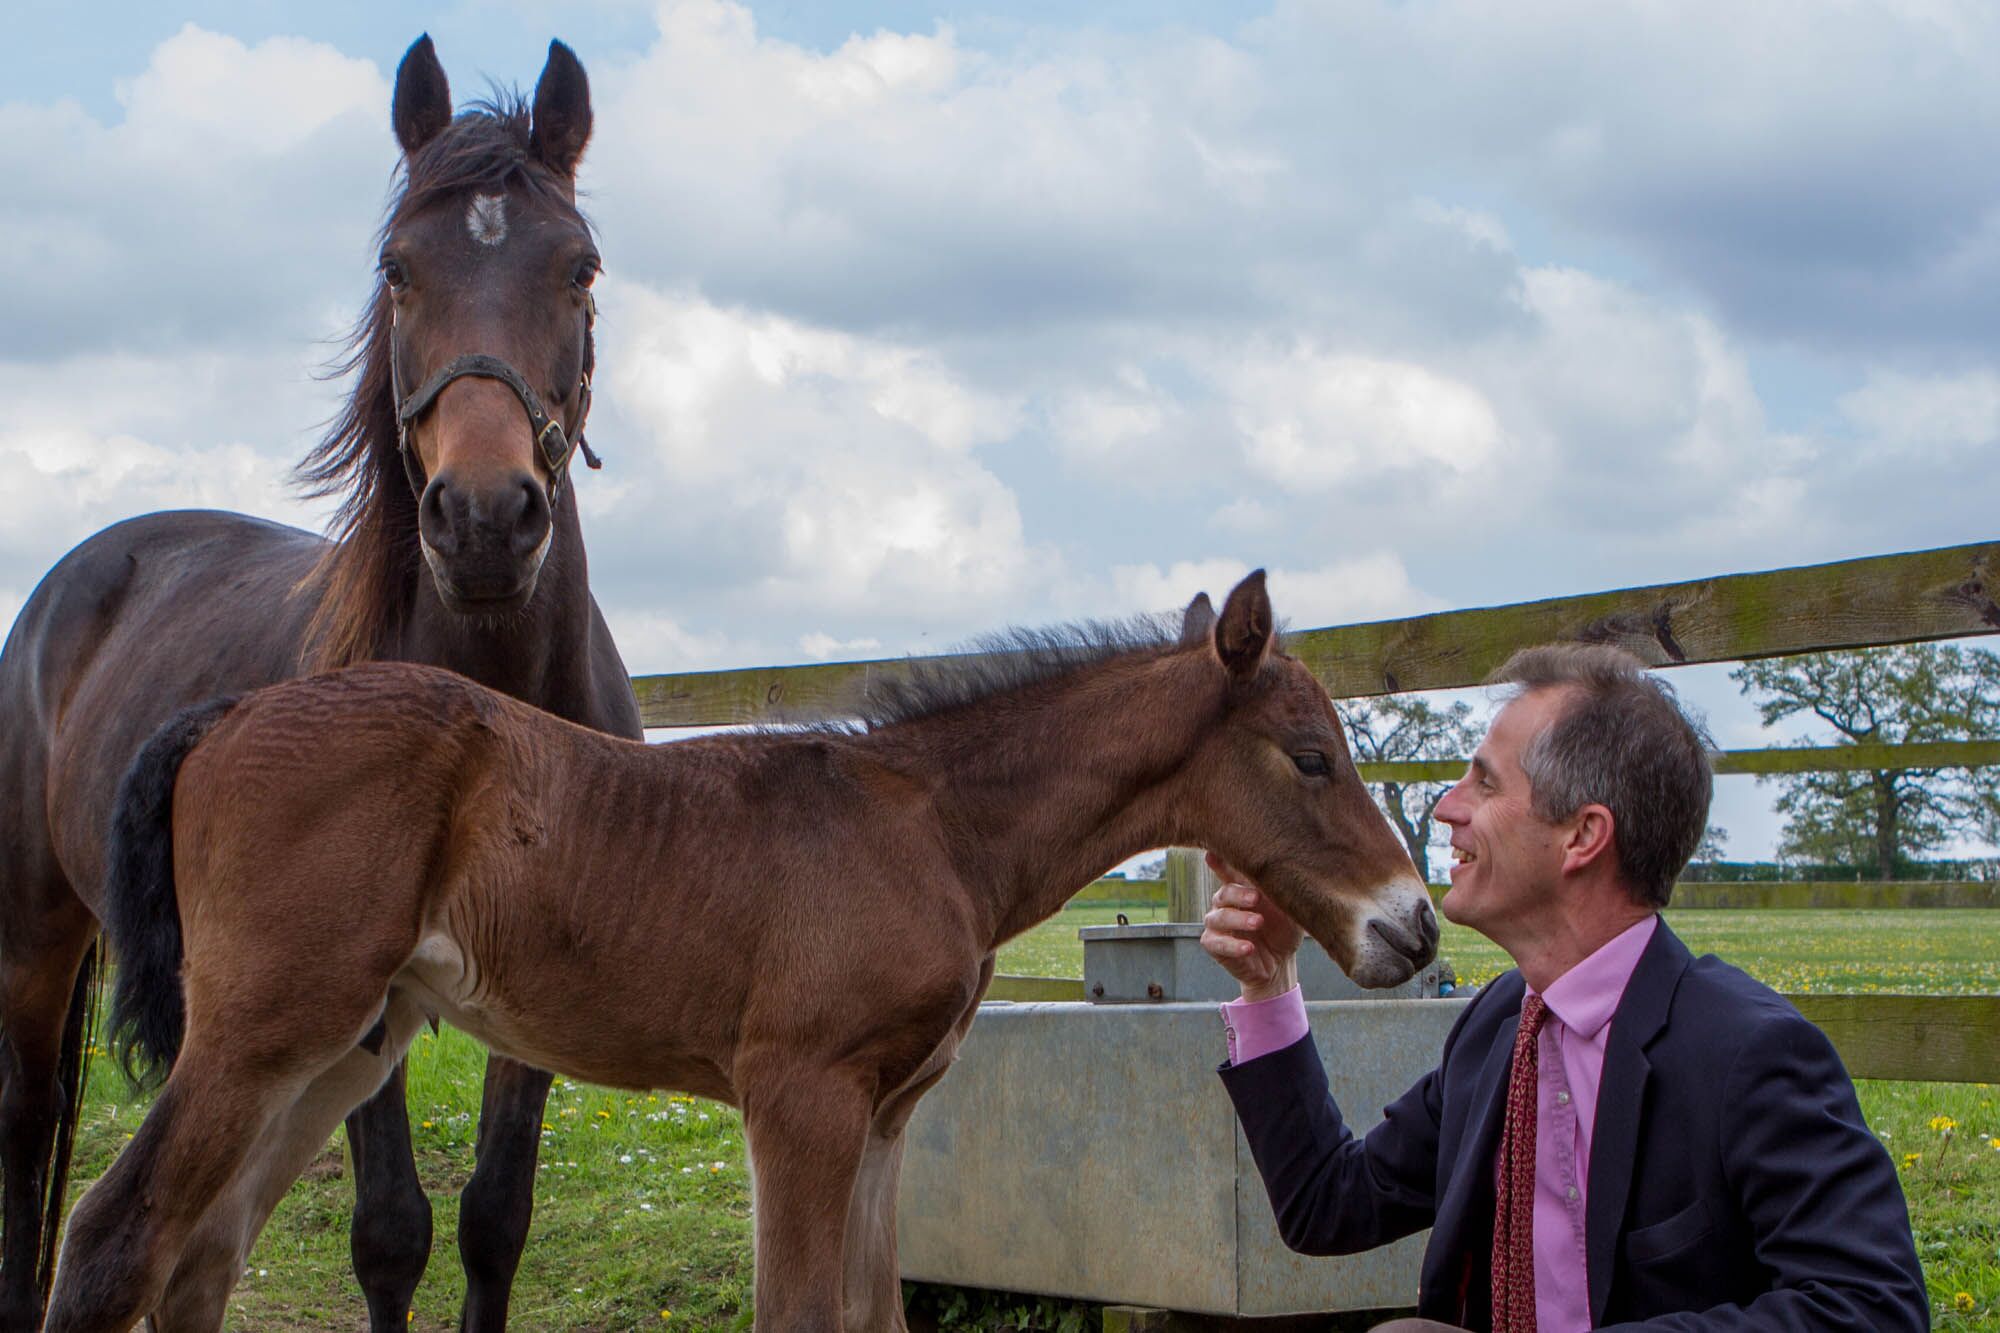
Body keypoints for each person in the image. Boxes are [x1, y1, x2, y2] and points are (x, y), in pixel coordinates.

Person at [1202, 643, 1928, 1332]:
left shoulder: (1749, 1052)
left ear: (1583, 836)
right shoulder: (1496, 1027)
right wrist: (1271, 983)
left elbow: (1874, 1308)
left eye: (1486, 782)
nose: (1446, 807)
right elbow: (1330, 1205)